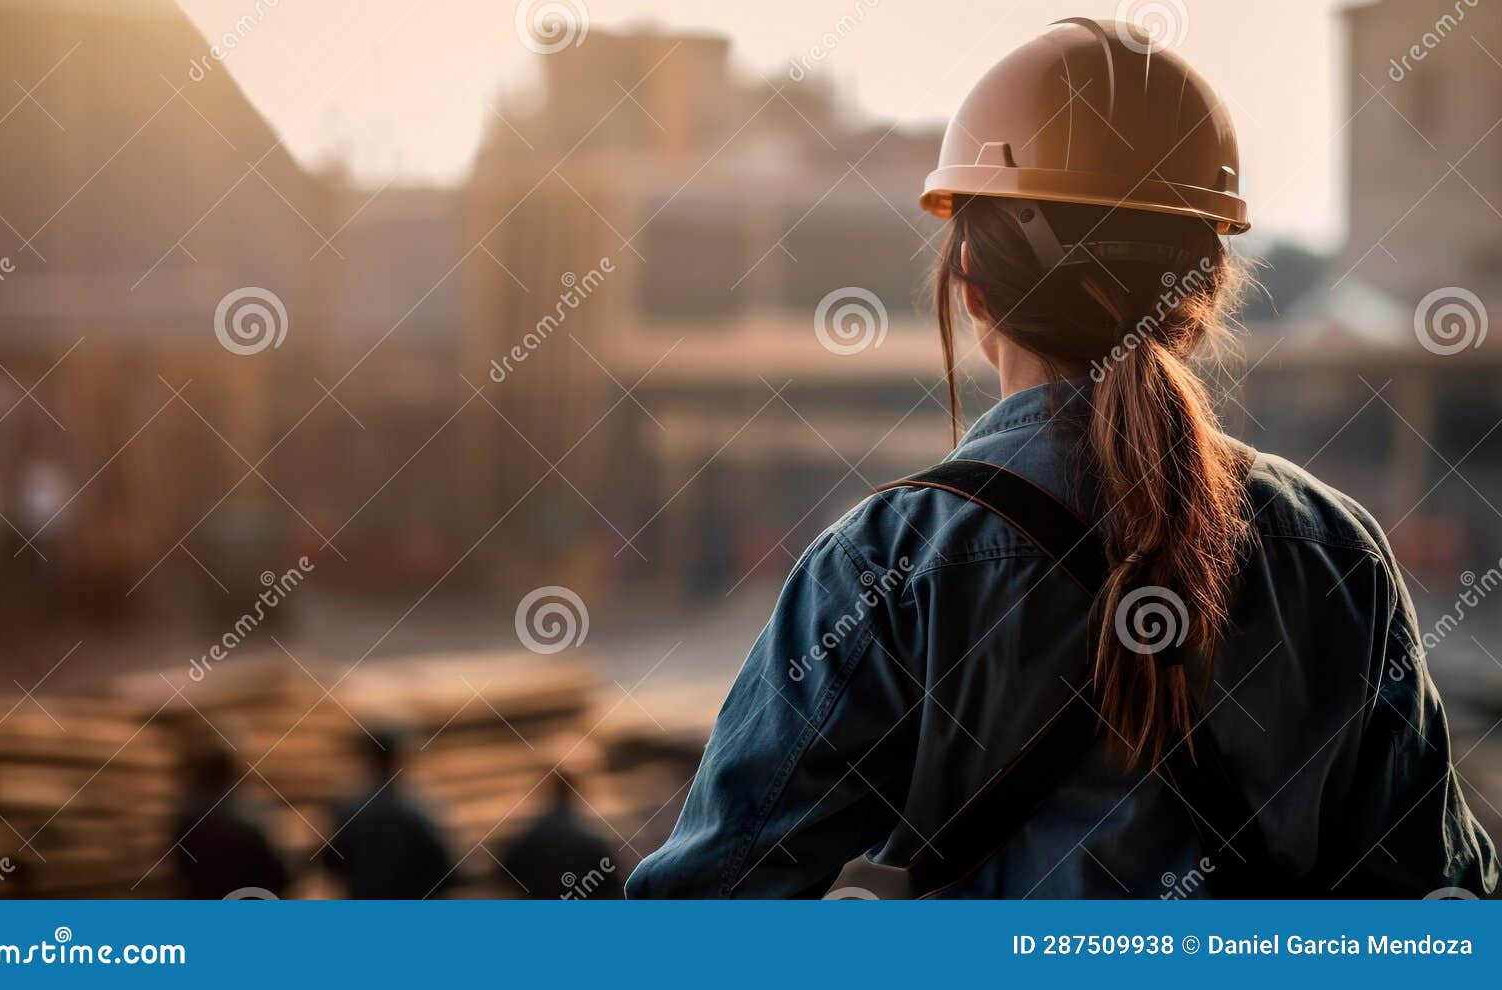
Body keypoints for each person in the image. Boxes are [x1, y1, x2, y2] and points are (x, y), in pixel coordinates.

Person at [626, 18, 1497, 898]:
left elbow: (701, 917)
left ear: (971, 279)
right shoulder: (1334, 554)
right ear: (1204, 289)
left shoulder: (886, 564)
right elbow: (1441, 910)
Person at [321, 726, 458, 899]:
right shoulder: (418, 810)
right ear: (402, 757)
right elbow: (447, 871)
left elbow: (331, 865)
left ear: (367, 759)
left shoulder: (348, 810)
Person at [172, 738, 290, 900]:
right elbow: (278, 876)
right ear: (232, 767)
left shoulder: (186, 814)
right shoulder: (249, 815)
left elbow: (181, 868)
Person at [500, 770, 622, 899]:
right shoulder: (587, 838)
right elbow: (610, 880)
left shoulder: (532, 835)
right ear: (575, 793)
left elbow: (506, 869)